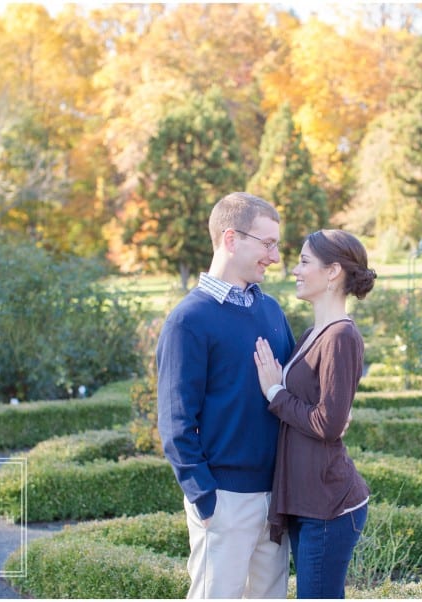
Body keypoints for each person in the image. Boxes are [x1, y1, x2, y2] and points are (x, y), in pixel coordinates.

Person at [156, 192, 296, 599]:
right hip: (224, 501)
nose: (275, 256)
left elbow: (291, 394)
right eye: (267, 244)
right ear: (232, 239)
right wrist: (205, 498)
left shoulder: (271, 311)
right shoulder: (188, 320)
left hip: (276, 499)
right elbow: (175, 423)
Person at [253, 229, 377, 599]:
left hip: (328, 506)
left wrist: (274, 392)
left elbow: (328, 424)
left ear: (333, 271)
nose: (295, 270)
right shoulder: (314, 332)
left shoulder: (341, 336)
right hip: (307, 500)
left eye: (305, 262)